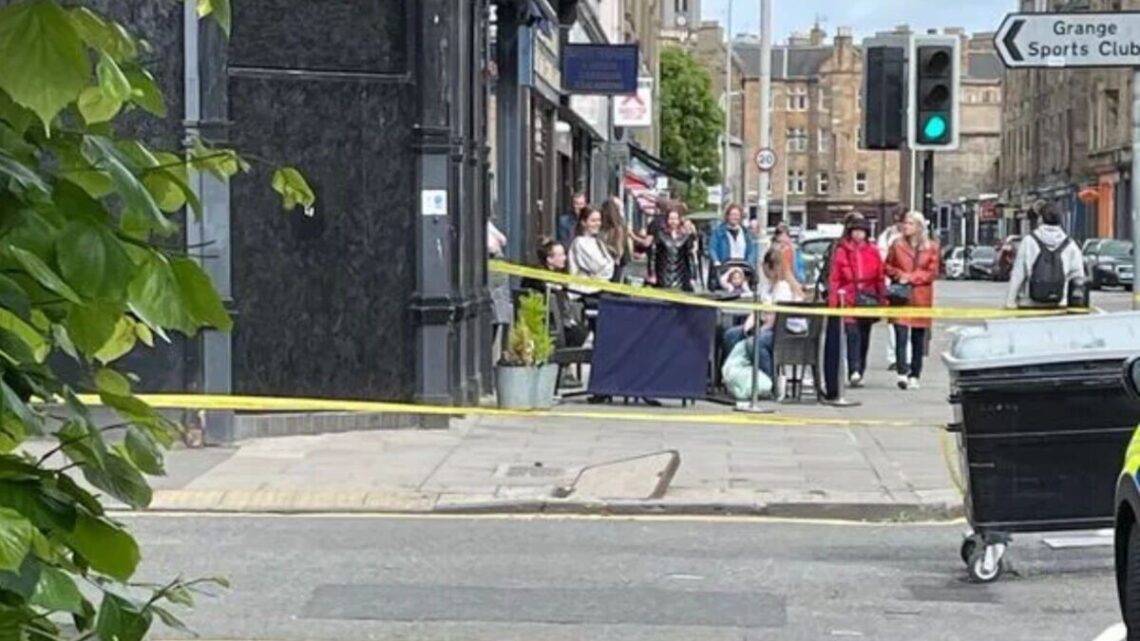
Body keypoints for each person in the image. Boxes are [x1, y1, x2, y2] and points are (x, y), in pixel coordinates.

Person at [722, 248, 805, 373]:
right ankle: (730, 374)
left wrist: (756, 331)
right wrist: (746, 328)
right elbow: (759, 309)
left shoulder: (783, 288)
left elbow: (774, 318)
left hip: (783, 332)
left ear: (768, 267)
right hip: (766, 325)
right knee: (731, 335)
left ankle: (770, 379)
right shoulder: (768, 286)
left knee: (754, 343)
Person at [828, 213, 886, 388]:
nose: (858, 235)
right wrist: (833, 301)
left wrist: (882, 301)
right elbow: (835, 278)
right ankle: (853, 368)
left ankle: (860, 370)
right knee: (852, 334)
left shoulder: (873, 251)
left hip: (868, 297)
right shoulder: (841, 251)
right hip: (848, 297)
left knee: (864, 335)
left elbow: (879, 278)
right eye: (855, 231)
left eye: (862, 231)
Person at [884, 211, 940, 391]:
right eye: (905, 223)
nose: (905, 226)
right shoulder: (896, 244)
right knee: (900, 334)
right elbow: (887, 266)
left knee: (918, 337)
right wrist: (899, 275)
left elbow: (932, 272)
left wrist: (911, 277)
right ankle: (902, 372)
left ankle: (915, 374)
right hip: (901, 295)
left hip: (921, 296)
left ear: (918, 227)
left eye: (910, 223)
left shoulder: (931, 247)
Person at [1006, 202, 1085, 309]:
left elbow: (1018, 274)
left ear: (1041, 219)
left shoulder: (1029, 241)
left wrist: (1010, 302)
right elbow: (1078, 278)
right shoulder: (1070, 245)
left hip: (1030, 304)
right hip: (1059, 305)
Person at [877, 211, 908, 372]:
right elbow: (882, 260)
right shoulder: (887, 236)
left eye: (902, 221)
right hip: (892, 284)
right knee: (893, 323)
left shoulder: (915, 237)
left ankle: (906, 358)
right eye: (897, 221)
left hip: (910, 283)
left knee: (909, 322)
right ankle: (893, 357)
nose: (900, 224)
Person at [647, 205, 698, 291]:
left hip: (681, 275)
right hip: (663, 273)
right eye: (671, 218)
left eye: (675, 219)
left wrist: (693, 276)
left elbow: (690, 257)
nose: (673, 221)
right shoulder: (660, 235)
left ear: (679, 220)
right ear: (667, 220)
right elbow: (653, 255)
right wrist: (652, 273)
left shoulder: (685, 237)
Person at [708, 204, 759, 290]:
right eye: (732, 215)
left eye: (737, 215)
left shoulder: (746, 233)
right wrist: (716, 260)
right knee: (725, 282)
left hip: (743, 265)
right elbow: (712, 248)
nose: (735, 217)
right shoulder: (718, 232)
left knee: (746, 283)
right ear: (727, 216)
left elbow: (752, 249)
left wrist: (750, 262)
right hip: (725, 265)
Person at [567, 206, 615, 293]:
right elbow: (597, 266)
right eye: (593, 220)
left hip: (598, 289)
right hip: (584, 292)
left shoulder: (599, 242)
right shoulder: (579, 242)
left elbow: (610, 267)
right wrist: (604, 268)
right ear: (583, 223)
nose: (597, 223)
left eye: (599, 220)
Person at [599, 196, 629, 283]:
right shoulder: (605, 228)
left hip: (613, 263)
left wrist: (605, 248)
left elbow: (619, 250)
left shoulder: (617, 229)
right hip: (607, 263)